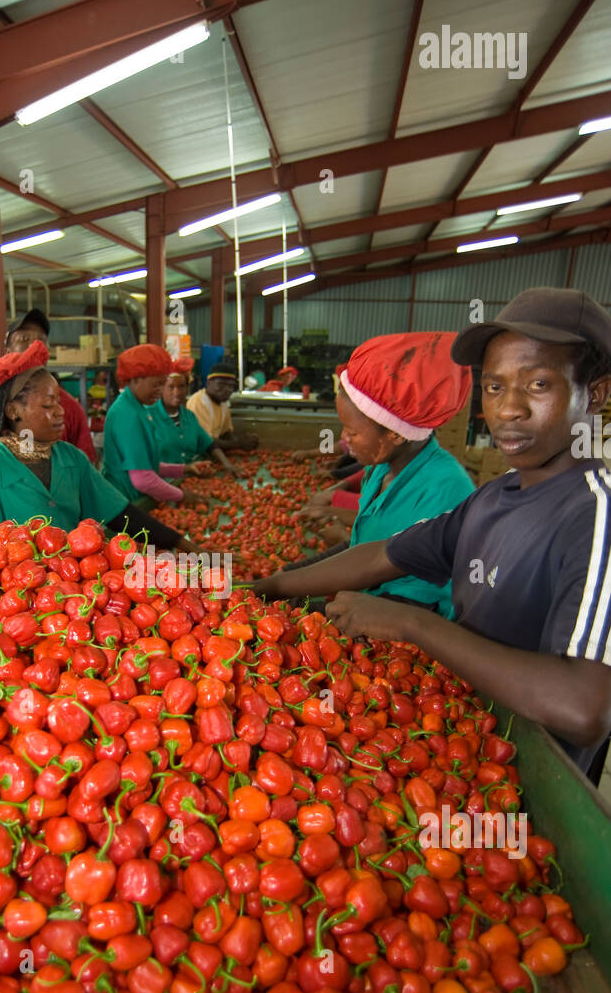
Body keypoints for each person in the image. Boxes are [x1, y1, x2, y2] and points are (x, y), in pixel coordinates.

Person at [252, 288, 611, 777]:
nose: (508, 410)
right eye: (494, 387)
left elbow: (585, 710)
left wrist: (413, 625)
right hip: (464, 745)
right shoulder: (492, 498)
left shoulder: (594, 515)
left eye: (539, 384)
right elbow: (384, 555)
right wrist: (267, 589)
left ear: (597, 392)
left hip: (531, 782)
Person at [277, 333, 475, 610]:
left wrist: (308, 609)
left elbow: (412, 603)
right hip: (367, 607)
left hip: (404, 632)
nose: (344, 438)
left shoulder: (444, 492)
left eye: (353, 432)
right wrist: (290, 576)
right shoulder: (382, 468)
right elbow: (363, 548)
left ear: (394, 433)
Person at [0, 341, 185, 550]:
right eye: (48, 404)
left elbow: (121, 514)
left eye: (59, 401)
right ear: (13, 411)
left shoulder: (71, 460)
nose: (60, 411)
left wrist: (182, 545)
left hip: (73, 587)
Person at [0, 309, 95, 491]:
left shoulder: (70, 408)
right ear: (7, 350)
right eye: (24, 339)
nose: (33, 346)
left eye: (40, 341)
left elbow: (88, 467)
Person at [101, 344, 207, 509]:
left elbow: (147, 464)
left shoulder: (138, 409)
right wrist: (182, 496)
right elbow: (143, 479)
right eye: (157, 384)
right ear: (136, 378)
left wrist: (184, 469)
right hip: (125, 500)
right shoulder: (127, 415)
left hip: (136, 499)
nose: (160, 391)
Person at [152, 360, 239, 476]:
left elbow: (208, 444)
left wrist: (226, 463)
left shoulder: (189, 416)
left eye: (181, 386)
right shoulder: (148, 417)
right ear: (161, 389)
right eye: (171, 387)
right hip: (159, 481)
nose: (176, 392)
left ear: (187, 388)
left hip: (188, 478)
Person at [186, 362, 258, 451]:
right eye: (221, 384)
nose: (227, 389)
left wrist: (245, 441)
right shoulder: (199, 402)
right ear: (208, 383)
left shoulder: (223, 403)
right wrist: (238, 444)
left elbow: (225, 433)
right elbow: (205, 441)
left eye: (231, 386)